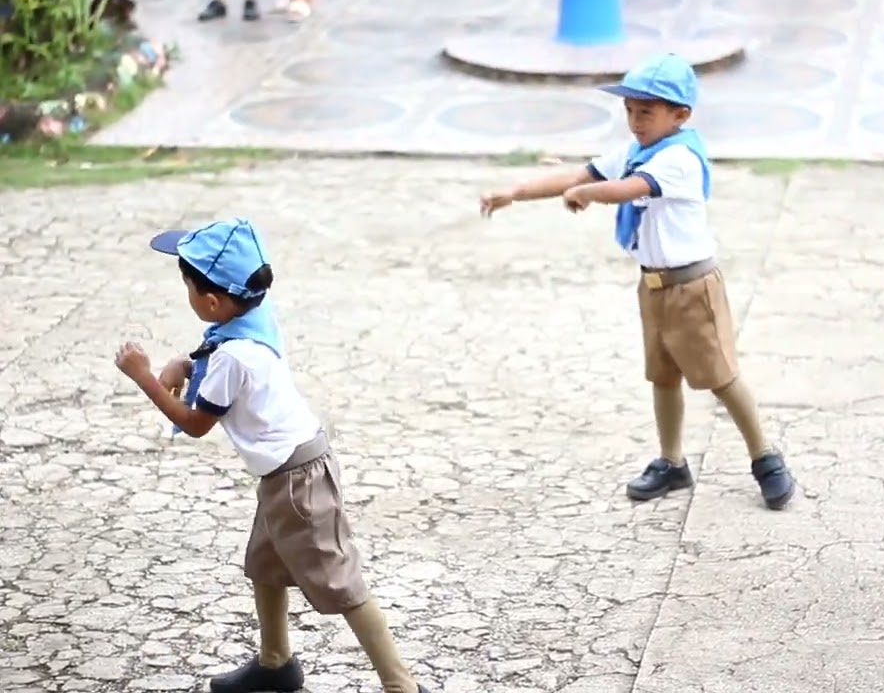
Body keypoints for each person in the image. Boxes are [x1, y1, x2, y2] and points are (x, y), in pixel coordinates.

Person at [113, 218, 427, 693]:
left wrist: (145, 377)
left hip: (297, 482)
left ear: (211, 302)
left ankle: (400, 684)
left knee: (341, 583)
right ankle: (276, 662)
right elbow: (220, 365)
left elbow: (196, 423)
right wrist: (186, 365)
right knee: (266, 565)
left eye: (188, 287)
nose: (188, 294)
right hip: (286, 475)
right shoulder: (252, 320)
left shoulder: (232, 356)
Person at [478, 52, 796, 510]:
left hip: (693, 288)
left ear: (680, 115)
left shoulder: (680, 158)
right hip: (654, 287)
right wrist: (516, 192)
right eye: (628, 110)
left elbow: (629, 188)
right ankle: (671, 461)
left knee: (721, 376)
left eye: (645, 111)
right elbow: (579, 174)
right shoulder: (634, 152)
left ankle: (765, 458)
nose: (634, 121)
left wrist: (589, 193)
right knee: (662, 377)